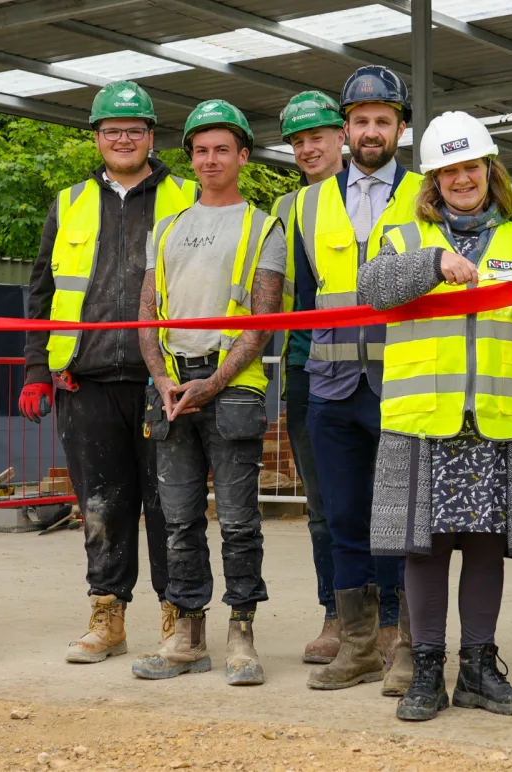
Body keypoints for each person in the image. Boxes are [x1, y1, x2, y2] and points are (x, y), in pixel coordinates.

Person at [362, 111, 512, 722]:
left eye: (470, 166)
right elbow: (373, 288)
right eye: (448, 170)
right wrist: (433, 265)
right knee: (424, 549)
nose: (461, 179)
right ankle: (426, 667)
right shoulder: (402, 237)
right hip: (425, 417)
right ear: (433, 180)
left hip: (498, 420)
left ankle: (477, 668)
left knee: (484, 544)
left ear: (489, 171)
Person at [20, 81, 198, 664]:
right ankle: (107, 617)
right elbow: (41, 292)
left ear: (151, 136)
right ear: (96, 138)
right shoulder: (68, 201)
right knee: (101, 505)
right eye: (112, 130)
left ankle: (178, 617)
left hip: (163, 381)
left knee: (170, 506)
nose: (123, 138)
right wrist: (33, 372)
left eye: (135, 129)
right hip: (85, 378)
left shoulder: (186, 197)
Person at [131, 100, 284, 685]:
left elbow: (262, 318)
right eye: (201, 150)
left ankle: (240, 632)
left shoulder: (261, 225)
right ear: (190, 158)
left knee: (241, 521)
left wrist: (213, 382)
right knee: (178, 521)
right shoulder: (166, 227)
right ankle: (186, 633)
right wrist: (163, 378)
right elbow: (147, 312)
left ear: (243, 156)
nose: (210, 159)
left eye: (222, 149)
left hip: (233, 390)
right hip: (171, 391)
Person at [292, 65, 420, 695]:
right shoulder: (308, 204)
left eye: (383, 120)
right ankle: (359, 643)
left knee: (398, 517)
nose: (371, 131)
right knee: (343, 515)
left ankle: (399, 638)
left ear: (401, 127)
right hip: (333, 385)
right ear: (345, 129)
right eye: (361, 121)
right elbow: (295, 298)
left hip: (404, 382)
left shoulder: (426, 194)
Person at [271, 91, 347, 664]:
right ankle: (339, 614)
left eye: (316, 136)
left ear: (342, 135)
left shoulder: (397, 194)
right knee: (324, 504)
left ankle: (394, 616)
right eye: (297, 142)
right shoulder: (287, 207)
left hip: (385, 367)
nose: (306, 149)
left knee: (387, 500)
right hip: (308, 368)